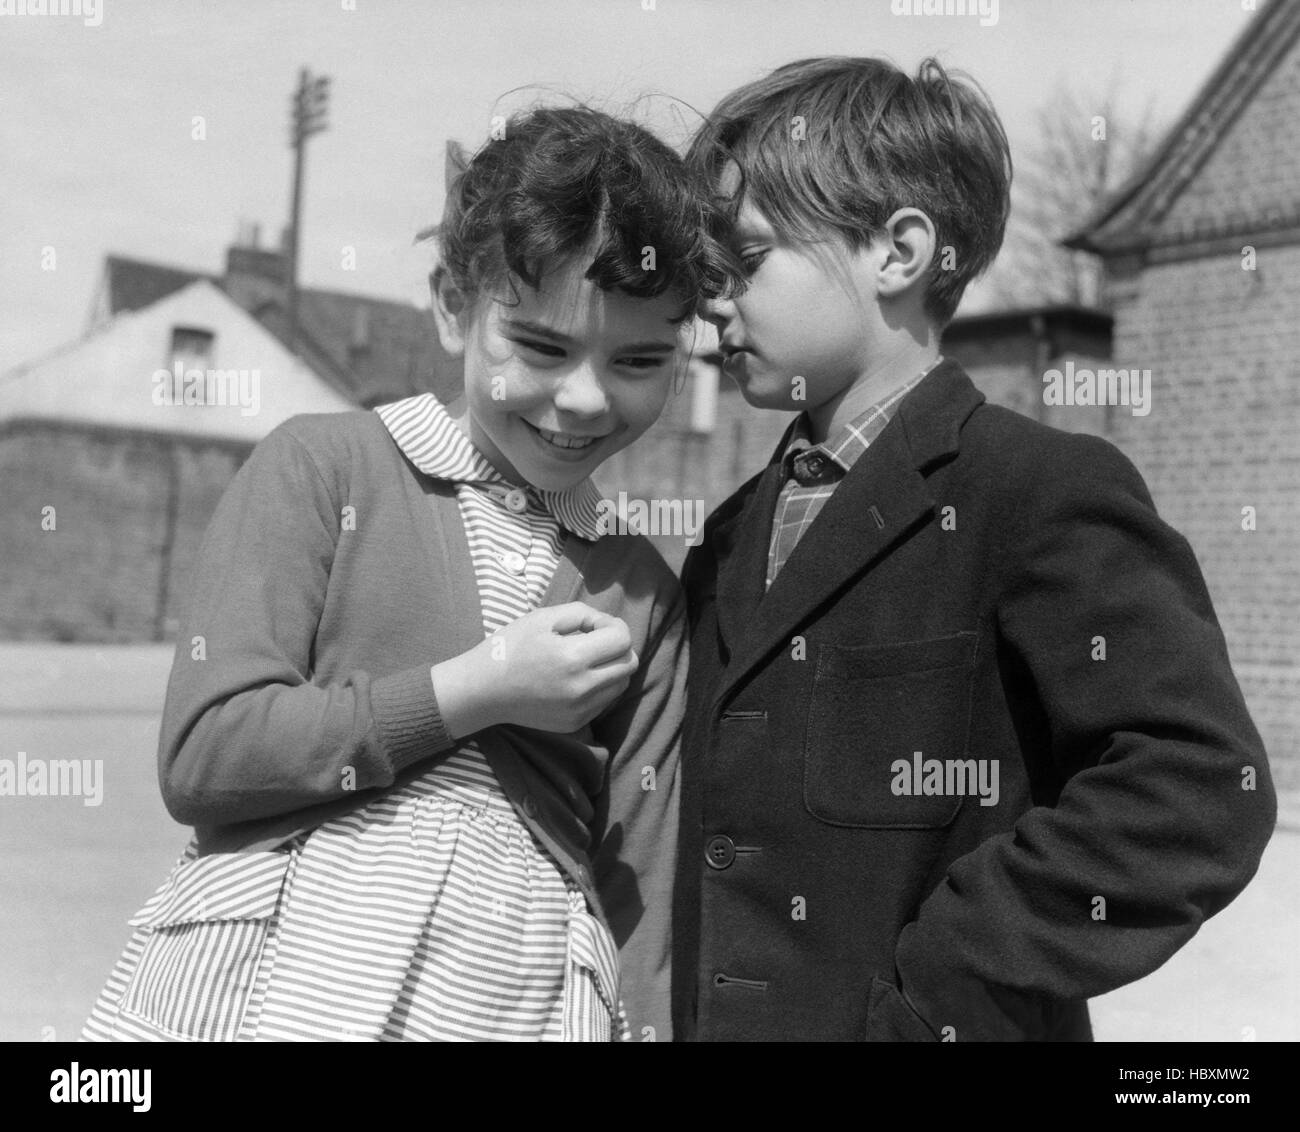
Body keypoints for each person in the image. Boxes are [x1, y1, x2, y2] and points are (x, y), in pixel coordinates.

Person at [82, 104, 738, 1042]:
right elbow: (206, 755)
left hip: (503, 1003)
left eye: (640, 360)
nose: (585, 398)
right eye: (542, 348)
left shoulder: (642, 587)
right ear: (451, 304)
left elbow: (642, 878)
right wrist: (476, 690)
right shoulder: (321, 467)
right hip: (273, 982)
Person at [672, 56, 1277, 1041]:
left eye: (743, 263)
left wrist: (947, 986)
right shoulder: (731, 529)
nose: (712, 303)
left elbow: (1198, 788)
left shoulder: (1034, 490)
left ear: (898, 252)